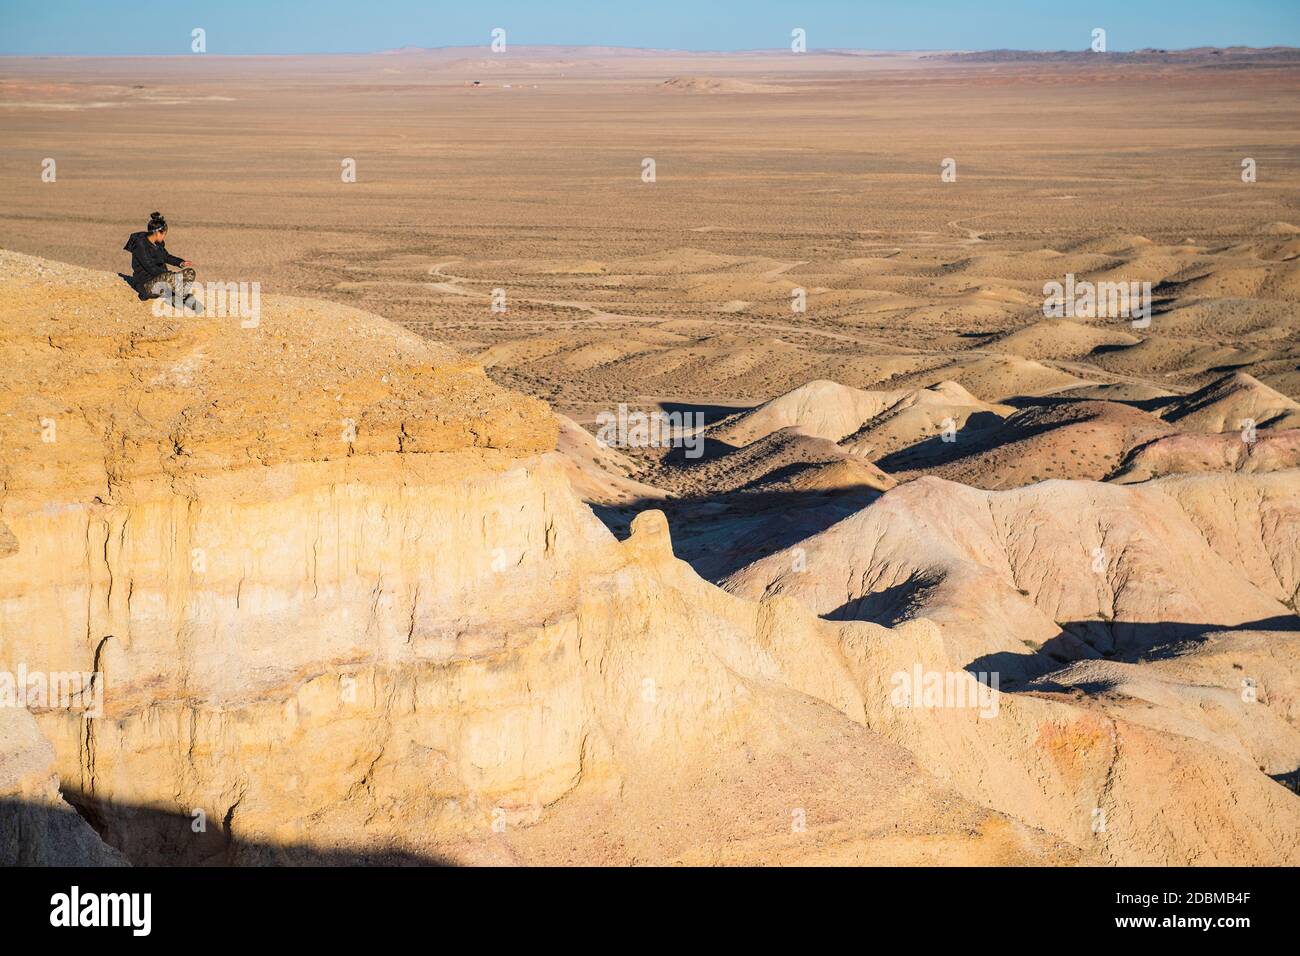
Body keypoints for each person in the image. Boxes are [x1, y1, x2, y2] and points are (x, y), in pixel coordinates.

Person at [124, 212, 197, 306]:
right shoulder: (140, 246)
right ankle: (179, 296)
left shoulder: (158, 244)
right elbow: (150, 268)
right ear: (158, 233)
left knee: (190, 273)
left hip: (161, 279)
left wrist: (181, 262)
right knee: (171, 277)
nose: (164, 236)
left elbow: (166, 256)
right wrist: (171, 276)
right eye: (164, 234)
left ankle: (177, 297)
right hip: (146, 284)